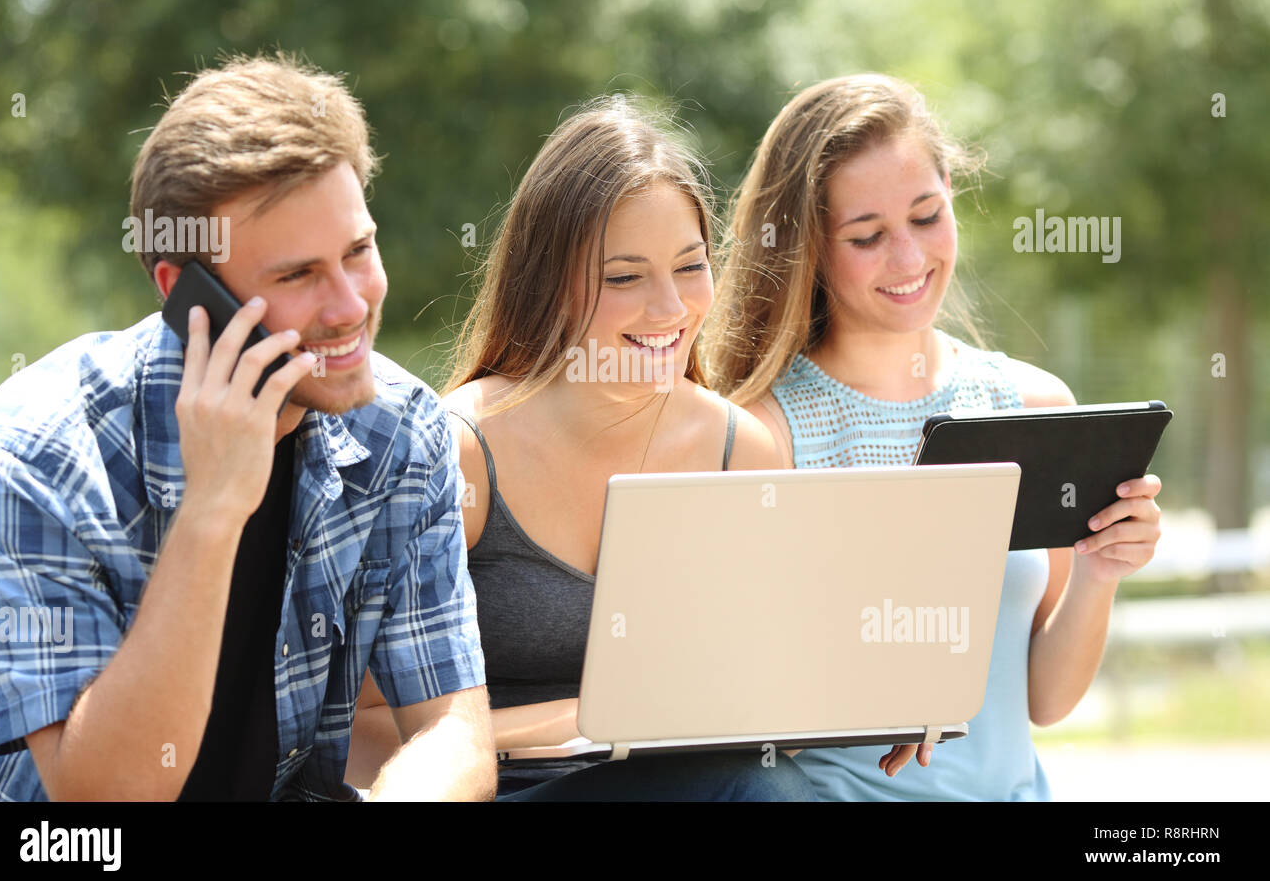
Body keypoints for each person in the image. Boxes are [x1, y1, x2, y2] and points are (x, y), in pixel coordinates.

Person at [0, 53, 495, 801]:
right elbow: (106, 802)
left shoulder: (400, 430)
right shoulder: (31, 459)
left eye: (358, 252)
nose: (349, 306)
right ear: (188, 296)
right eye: (297, 276)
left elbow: (454, 731)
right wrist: (213, 509)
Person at [703, 74, 1163, 800]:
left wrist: (1100, 571)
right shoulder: (761, 432)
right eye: (866, 236)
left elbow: (1045, 700)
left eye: (926, 216)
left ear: (951, 190)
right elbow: (740, 716)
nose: (909, 259)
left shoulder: (1034, 406)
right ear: (808, 248)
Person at [350, 97, 815, 801]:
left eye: (691, 267)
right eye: (624, 277)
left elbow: (757, 692)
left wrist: (867, 702)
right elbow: (359, 727)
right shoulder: (461, 449)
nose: (670, 309)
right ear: (548, 284)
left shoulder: (740, 451)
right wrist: (570, 722)